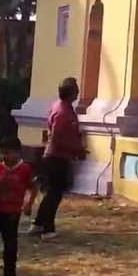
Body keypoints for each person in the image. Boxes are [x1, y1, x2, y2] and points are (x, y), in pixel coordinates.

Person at [29, 77, 84, 240]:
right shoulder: (62, 112)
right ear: (71, 93)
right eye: (76, 89)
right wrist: (76, 150)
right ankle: (47, 228)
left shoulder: (62, 107)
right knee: (54, 193)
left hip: (58, 155)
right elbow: (58, 138)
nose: (78, 91)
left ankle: (38, 224)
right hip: (57, 157)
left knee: (52, 193)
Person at [0, 137, 37, 276]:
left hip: (12, 212)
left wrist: (29, 204)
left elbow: (34, 187)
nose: (5, 156)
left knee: (10, 243)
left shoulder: (25, 169)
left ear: (17, 153)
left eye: (8, 153)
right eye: (3, 153)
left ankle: (9, 274)